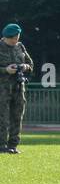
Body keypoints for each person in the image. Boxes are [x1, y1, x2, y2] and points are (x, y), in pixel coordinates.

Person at [1, 23, 34, 154]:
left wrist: (25, 67)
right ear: (5, 37)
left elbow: (30, 64)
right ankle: (1, 145)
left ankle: (13, 145)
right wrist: (5, 70)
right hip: (2, 88)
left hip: (18, 87)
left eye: (17, 37)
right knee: (1, 117)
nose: (15, 40)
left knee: (17, 116)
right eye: (12, 38)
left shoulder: (20, 46)